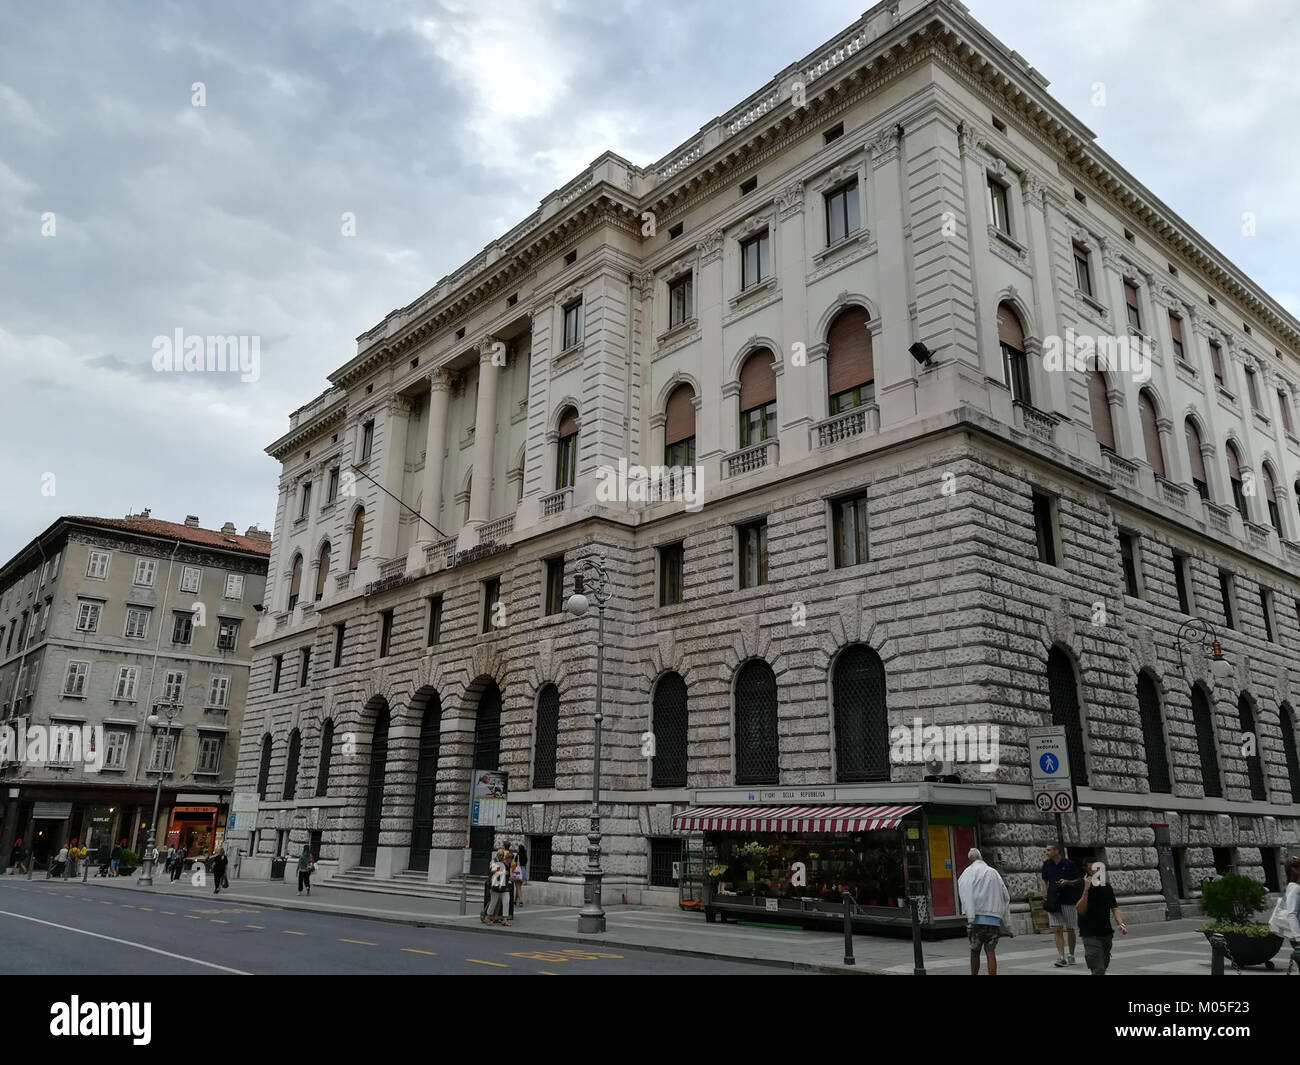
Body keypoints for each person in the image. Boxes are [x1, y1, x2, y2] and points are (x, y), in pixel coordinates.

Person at [956, 848, 1011, 975]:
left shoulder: (967, 873)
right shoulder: (993, 872)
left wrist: (968, 913)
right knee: (990, 952)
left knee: (975, 951)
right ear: (981, 858)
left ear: (970, 860)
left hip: (976, 919)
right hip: (993, 919)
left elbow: (964, 893)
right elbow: (1005, 895)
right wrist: (1005, 919)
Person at [1075, 859, 1127, 974]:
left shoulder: (1106, 886)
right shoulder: (1079, 885)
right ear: (1086, 870)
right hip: (1089, 934)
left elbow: (1114, 907)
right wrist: (1086, 890)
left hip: (1106, 933)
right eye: (1091, 869)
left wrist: (1120, 923)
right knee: (1098, 968)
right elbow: (1080, 910)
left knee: (1103, 964)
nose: (1094, 872)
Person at [1040, 843, 1081, 967]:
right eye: (1046, 850)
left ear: (1056, 851)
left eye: (1048, 850)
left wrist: (1068, 882)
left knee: (1070, 928)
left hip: (1068, 900)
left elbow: (1078, 880)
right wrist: (1045, 893)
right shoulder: (1046, 864)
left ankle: (1071, 954)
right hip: (1053, 901)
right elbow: (1044, 880)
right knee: (1057, 929)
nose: (1046, 852)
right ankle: (1061, 957)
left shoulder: (1069, 864)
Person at [483, 849, 511, 926]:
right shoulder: (494, 861)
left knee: (506, 902)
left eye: (502, 855)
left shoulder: (506, 863)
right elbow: (492, 870)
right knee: (493, 902)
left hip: (504, 886)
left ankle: (504, 919)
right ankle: (487, 917)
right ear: (497, 855)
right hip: (495, 885)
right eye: (500, 855)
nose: (501, 856)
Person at [513, 841, 527, 906]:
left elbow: (515, 864)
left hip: (518, 871)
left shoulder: (517, 856)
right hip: (523, 870)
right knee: (518, 887)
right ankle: (515, 901)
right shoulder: (525, 856)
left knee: (518, 887)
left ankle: (521, 901)